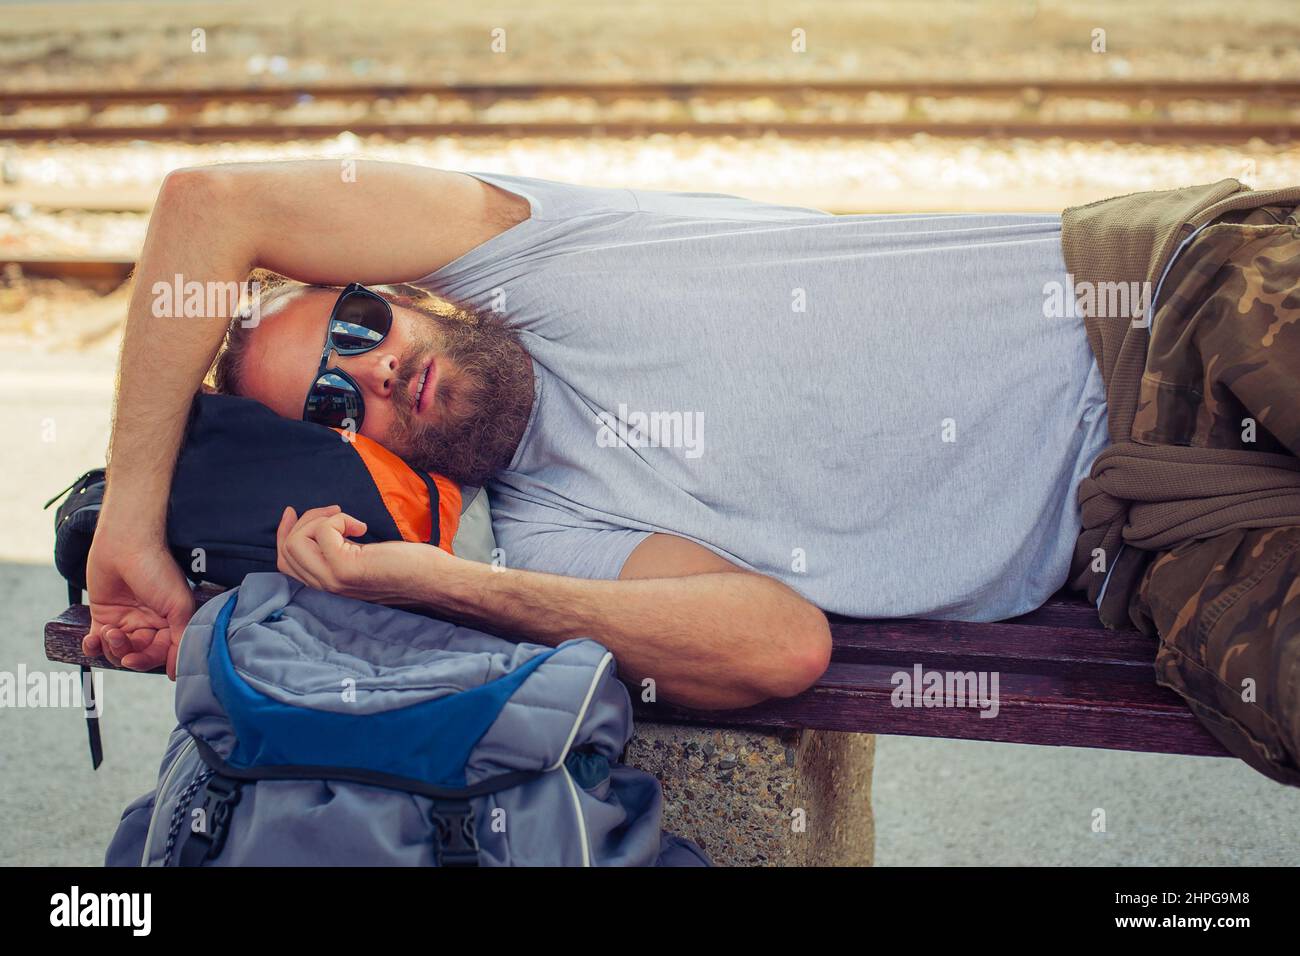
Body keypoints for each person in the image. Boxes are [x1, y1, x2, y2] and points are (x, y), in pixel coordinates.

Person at [82, 161, 1300, 784]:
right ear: (354, 454)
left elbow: (208, 201)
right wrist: (447, 586)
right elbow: (778, 647)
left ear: (396, 288)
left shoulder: (537, 255)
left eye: (357, 328)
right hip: (1156, 533)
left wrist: (126, 530)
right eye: (335, 402)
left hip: (1163, 308)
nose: (379, 370)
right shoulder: (556, 538)